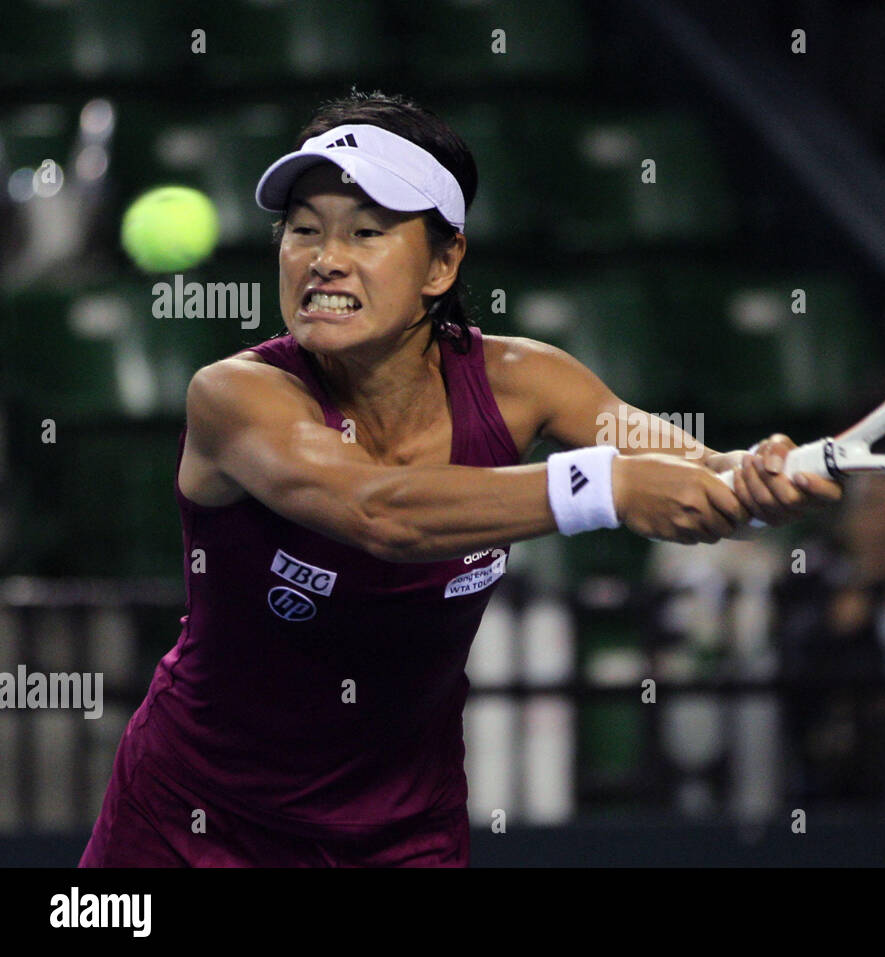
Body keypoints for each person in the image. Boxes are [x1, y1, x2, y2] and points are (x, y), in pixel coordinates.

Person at [79, 91, 841, 867]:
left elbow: (694, 470)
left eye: (366, 232)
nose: (324, 258)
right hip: (194, 822)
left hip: (402, 833)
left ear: (443, 263)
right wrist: (602, 487)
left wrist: (758, 489)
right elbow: (379, 513)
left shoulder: (528, 380)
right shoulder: (234, 396)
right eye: (303, 229)